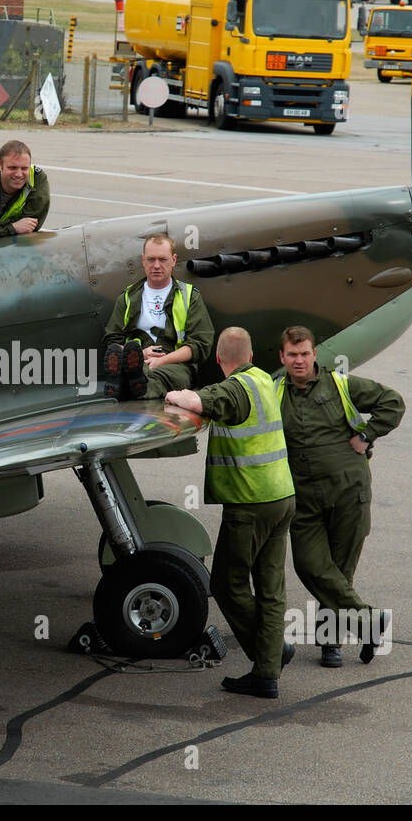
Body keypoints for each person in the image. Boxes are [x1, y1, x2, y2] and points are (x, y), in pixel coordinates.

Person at [166, 327, 296, 698]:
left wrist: (171, 392)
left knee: (227, 583)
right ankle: (267, 670)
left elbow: (196, 402)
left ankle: (269, 656)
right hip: (282, 496)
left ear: (220, 360)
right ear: (251, 356)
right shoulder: (264, 380)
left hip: (250, 503)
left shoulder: (234, 388)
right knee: (271, 590)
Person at [275, 325, 403, 666]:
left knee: (340, 572)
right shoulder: (275, 393)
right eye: (292, 355)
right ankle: (370, 622)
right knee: (310, 566)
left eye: (304, 354)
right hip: (303, 499)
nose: (299, 360)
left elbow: (393, 403)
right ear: (282, 357)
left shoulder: (342, 385)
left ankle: (329, 644)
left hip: (349, 494)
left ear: (315, 354)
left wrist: (367, 435)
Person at [102, 233, 214, 400]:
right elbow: (113, 341)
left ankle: (126, 386)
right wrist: (141, 353)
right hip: (138, 362)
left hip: (175, 365)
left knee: (157, 377)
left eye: (163, 260)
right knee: (136, 372)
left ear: (174, 260)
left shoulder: (189, 296)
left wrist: (162, 361)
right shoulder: (127, 297)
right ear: (143, 260)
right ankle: (130, 382)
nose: (156, 265)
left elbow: (200, 344)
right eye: (151, 259)